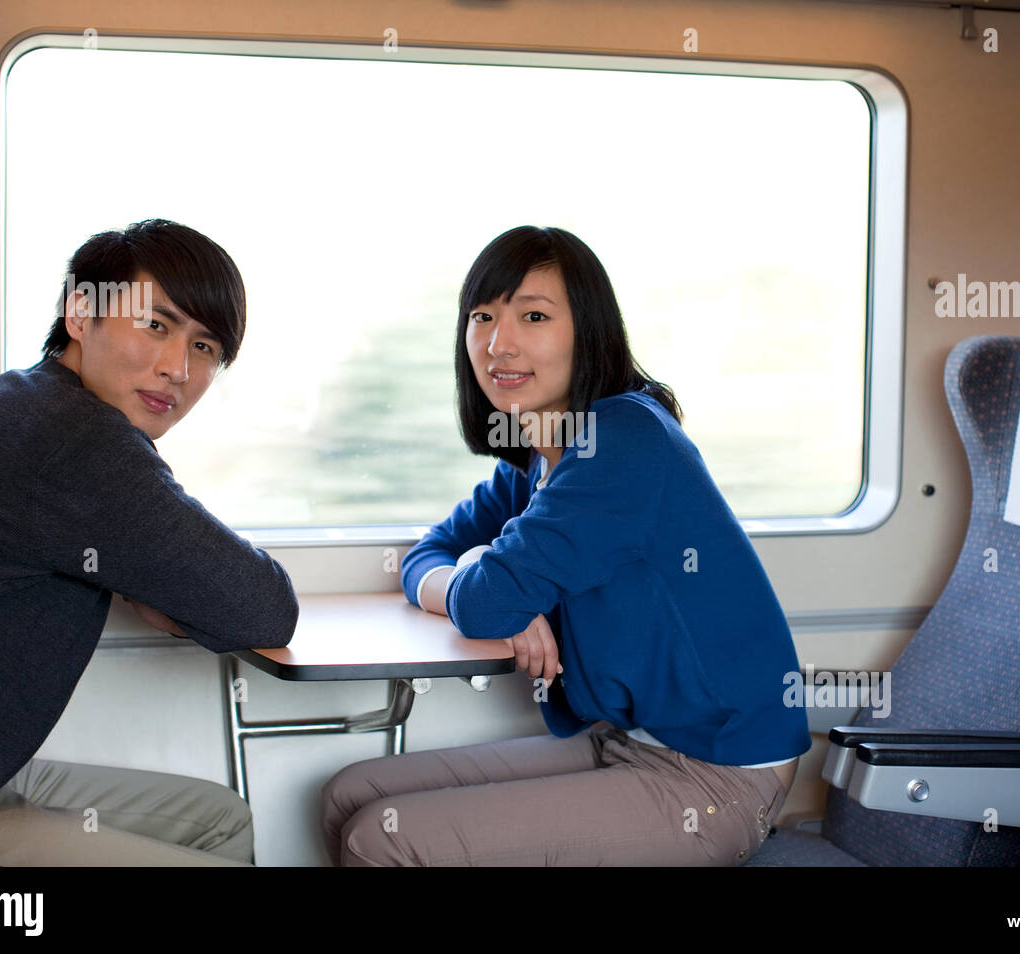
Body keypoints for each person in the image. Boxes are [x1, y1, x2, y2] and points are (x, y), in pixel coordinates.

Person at [321, 225, 810, 866]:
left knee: (382, 836)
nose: (499, 343)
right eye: (482, 317)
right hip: (626, 741)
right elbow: (427, 554)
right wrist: (477, 572)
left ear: (589, 331)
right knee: (349, 794)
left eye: (533, 316)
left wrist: (488, 581)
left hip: (715, 775)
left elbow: (486, 602)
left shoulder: (623, 441)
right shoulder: (539, 459)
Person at [0, 219, 299, 866]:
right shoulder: (72, 437)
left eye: (205, 348)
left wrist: (160, 576)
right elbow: (264, 607)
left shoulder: (25, 395)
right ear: (81, 311)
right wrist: (172, 585)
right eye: (157, 326)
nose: (177, 369)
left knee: (220, 819)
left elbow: (174, 558)